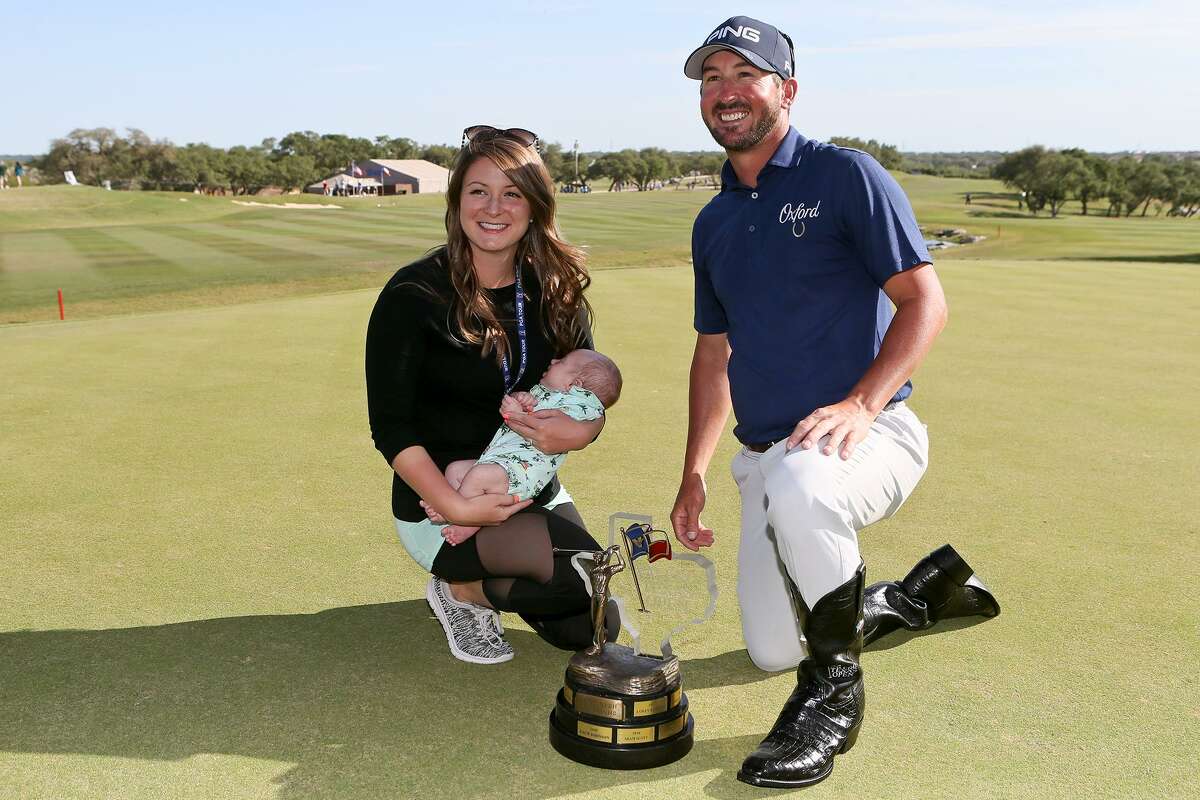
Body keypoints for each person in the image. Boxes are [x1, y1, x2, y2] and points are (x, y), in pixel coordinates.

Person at [673, 16, 996, 789]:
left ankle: (831, 701)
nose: (725, 92)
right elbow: (714, 353)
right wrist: (693, 472)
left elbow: (926, 302)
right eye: (710, 79)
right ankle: (914, 598)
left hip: (869, 434)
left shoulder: (846, 174)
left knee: (802, 481)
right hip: (768, 458)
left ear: (785, 89)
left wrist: (859, 402)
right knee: (770, 648)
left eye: (743, 75)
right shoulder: (713, 219)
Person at [366, 125, 619, 666]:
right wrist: (458, 505)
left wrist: (585, 429)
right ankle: (459, 589)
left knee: (592, 619)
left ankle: (475, 587)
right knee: (577, 588)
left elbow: (587, 395)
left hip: (527, 491)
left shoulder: (556, 289)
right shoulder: (414, 294)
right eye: (478, 190)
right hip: (441, 506)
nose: (494, 208)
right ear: (457, 199)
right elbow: (391, 426)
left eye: (512, 193)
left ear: (535, 206)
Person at [422, 348, 622, 546]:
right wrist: (521, 399)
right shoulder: (548, 393)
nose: (552, 361)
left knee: (479, 476)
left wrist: (520, 414)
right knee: (456, 470)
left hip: (520, 474)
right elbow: (533, 408)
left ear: (575, 384)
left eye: (561, 362)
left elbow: (548, 427)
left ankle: (465, 522)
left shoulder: (577, 406)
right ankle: (452, 507)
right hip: (500, 463)